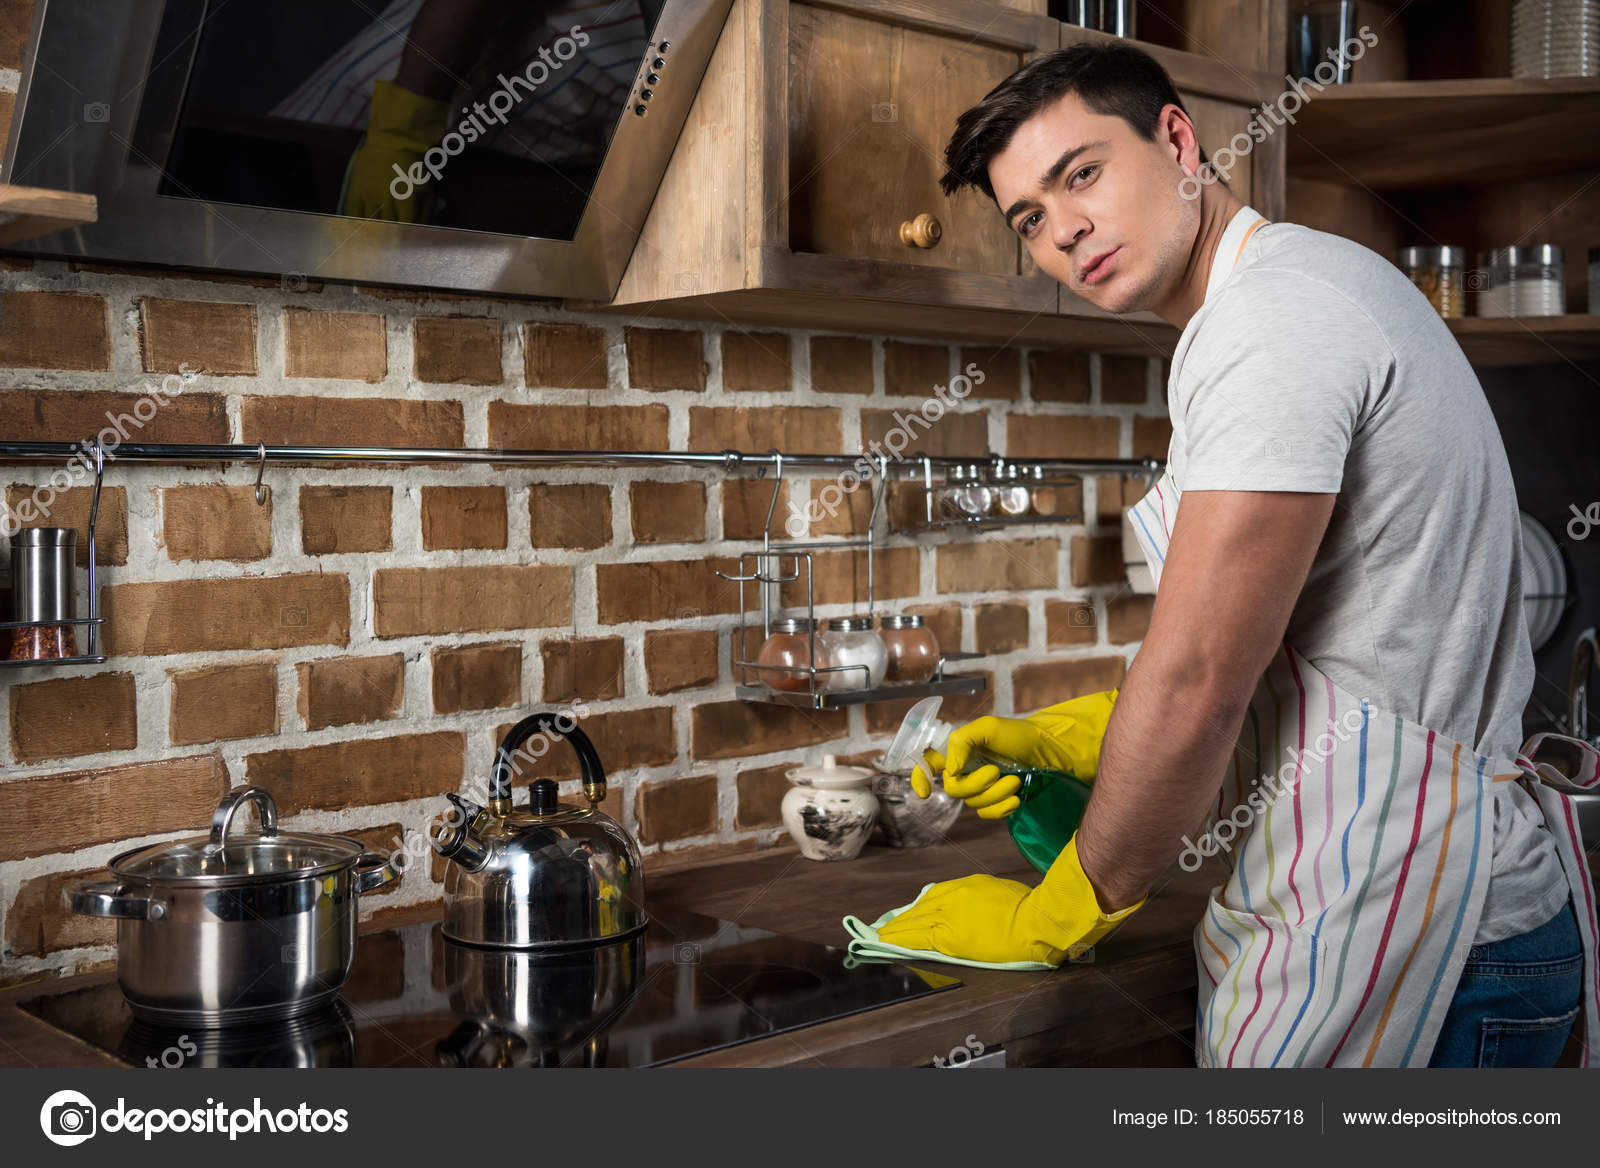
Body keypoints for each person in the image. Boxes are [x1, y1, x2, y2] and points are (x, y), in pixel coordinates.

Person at [878, 41, 1600, 1069]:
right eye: (1029, 219)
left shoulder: (1272, 320)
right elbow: (1297, 647)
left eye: (1080, 173)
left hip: (1420, 932)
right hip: (1418, 906)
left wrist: (1062, 910)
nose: (1064, 229)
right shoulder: (1290, 293)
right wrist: (1072, 737)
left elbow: (1203, 680)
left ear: (1176, 140)